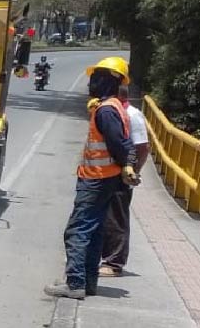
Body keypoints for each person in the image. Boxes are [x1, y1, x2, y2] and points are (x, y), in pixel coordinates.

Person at [45, 57, 140, 300]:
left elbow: (122, 144)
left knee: (77, 230)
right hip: (105, 179)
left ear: (112, 81)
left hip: (97, 180)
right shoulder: (112, 107)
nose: (92, 82)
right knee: (95, 230)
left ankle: (75, 282)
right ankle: (88, 282)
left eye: (97, 77)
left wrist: (127, 165)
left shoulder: (107, 110)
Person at [99, 85, 150, 277]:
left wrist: (132, 172)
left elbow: (142, 147)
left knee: (116, 216)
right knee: (101, 215)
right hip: (102, 174)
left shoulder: (131, 114)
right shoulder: (108, 112)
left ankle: (114, 262)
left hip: (121, 174)